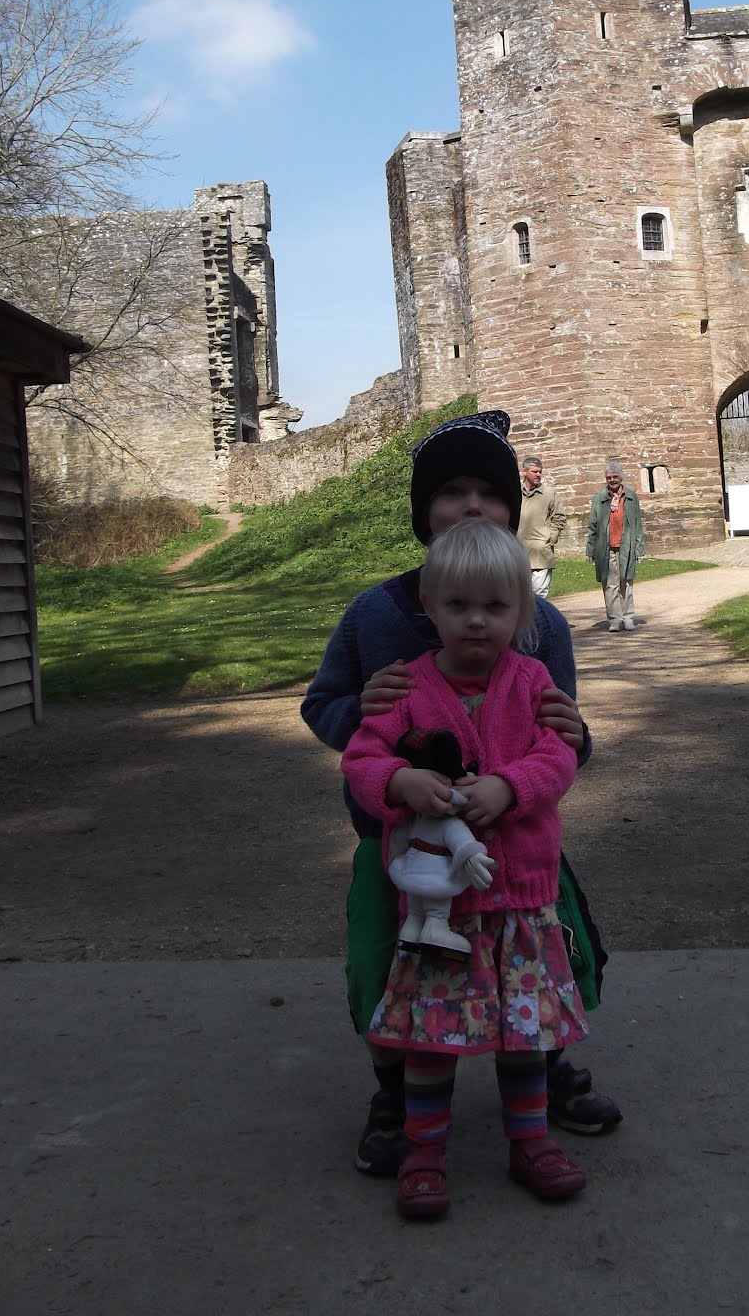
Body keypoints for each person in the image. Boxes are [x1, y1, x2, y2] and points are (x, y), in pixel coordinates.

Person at [301, 410, 620, 1180]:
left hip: (514, 842)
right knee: (386, 974)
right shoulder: (378, 613)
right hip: (402, 847)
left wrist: (537, 765)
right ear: (422, 513)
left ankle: (546, 1072)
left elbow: (566, 736)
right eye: (451, 492)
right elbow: (324, 705)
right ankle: (394, 1096)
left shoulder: (538, 622)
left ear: (514, 510)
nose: (472, 506)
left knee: (551, 967)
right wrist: (365, 715)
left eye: (489, 492)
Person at [342, 519, 587, 1217]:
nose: (476, 622)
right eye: (457, 607)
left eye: (495, 607)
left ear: (522, 611)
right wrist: (397, 783)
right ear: (430, 608)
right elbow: (362, 758)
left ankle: (531, 1141)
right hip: (439, 910)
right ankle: (423, 1151)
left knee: (524, 1035)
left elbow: (558, 754)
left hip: (519, 901)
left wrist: (512, 787)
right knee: (430, 1039)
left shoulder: (532, 679)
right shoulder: (407, 690)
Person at [585, 460, 645, 631]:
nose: (612, 480)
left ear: (621, 478)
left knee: (626, 582)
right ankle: (615, 620)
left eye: (615, 477)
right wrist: (590, 549)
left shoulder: (632, 497)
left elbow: (638, 524)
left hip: (627, 546)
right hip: (606, 547)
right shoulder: (599, 498)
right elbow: (593, 525)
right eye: (609, 477)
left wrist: (640, 548)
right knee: (610, 584)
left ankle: (628, 618)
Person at [517, 454, 567, 599]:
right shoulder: (514, 492)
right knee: (520, 595)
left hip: (541, 551)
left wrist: (549, 536)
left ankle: (539, 622)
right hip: (517, 550)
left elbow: (560, 517)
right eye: (534, 471)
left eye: (540, 472)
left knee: (539, 596)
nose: (538, 474)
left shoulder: (549, 493)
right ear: (525, 472)